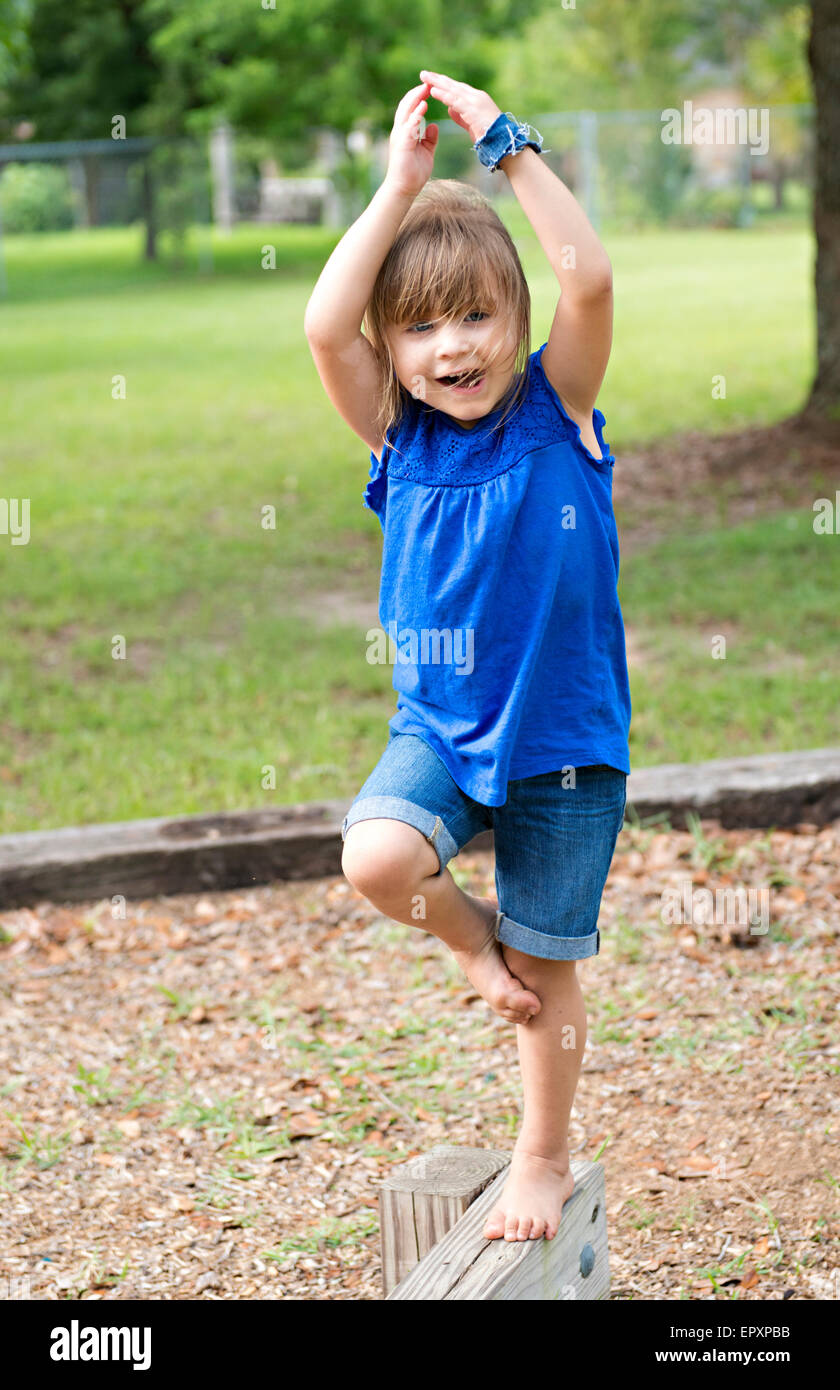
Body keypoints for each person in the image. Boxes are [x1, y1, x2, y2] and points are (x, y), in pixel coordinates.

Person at [304, 72, 631, 1244]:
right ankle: (468, 941)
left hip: (563, 739)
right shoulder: (396, 440)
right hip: (438, 730)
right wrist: (398, 186)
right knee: (376, 855)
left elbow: (587, 276)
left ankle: (541, 1156)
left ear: (516, 318)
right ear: (394, 350)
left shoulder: (559, 405)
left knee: (551, 972)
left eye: (479, 316)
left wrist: (505, 145)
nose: (454, 347)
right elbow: (321, 325)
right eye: (424, 327)